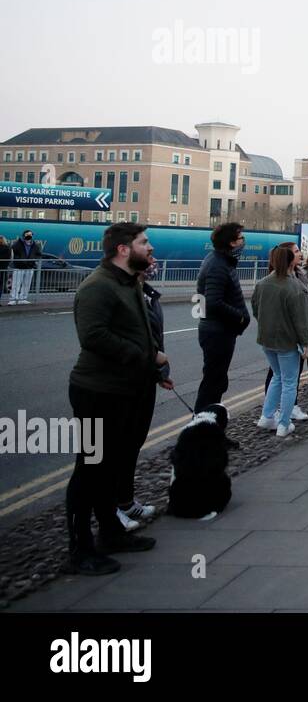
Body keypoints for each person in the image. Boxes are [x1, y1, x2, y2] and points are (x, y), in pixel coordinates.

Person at [65, 222, 165, 575]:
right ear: (123, 249)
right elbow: (93, 336)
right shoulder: (98, 286)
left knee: (112, 467)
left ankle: (110, 533)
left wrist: (152, 362)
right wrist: (146, 357)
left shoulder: (129, 283)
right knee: (90, 470)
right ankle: (80, 551)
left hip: (127, 389)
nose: (150, 248)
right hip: (97, 392)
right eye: (144, 242)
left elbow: (139, 329)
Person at [122, 260, 174, 531]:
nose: (152, 254)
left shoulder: (146, 291)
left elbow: (153, 335)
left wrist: (159, 372)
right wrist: (153, 357)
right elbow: (101, 337)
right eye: (144, 244)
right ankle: (112, 509)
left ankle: (125, 501)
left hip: (145, 376)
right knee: (115, 449)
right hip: (123, 380)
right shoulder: (117, 290)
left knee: (133, 444)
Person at [253, 244, 308, 437]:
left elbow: (256, 310)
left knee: (277, 377)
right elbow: (300, 320)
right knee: (289, 382)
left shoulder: (262, 283)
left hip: (266, 339)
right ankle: (284, 424)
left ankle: (267, 416)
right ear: (289, 262)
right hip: (287, 342)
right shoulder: (294, 287)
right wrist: (304, 343)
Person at [195, 223, 250, 410]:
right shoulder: (218, 265)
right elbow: (212, 302)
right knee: (213, 383)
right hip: (217, 333)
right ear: (232, 243)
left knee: (217, 382)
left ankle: (211, 428)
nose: (244, 241)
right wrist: (240, 317)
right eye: (241, 238)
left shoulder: (220, 261)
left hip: (220, 331)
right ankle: (203, 428)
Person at [7, 227, 41, 304]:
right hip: (19, 267)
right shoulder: (17, 244)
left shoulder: (35, 245)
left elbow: (39, 254)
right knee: (16, 283)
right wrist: (21, 261)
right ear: (24, 236)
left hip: (30, 267)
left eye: (31, 235)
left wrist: (34, 260)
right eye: (28, 235)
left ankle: (23, 298)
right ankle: (13, 299)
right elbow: (14, 254)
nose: (29, 237)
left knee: (27, 284)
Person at [0, 235, 10, 301]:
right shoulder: (7, 248)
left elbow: (7, 259)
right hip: (3, 269)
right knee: (0, 284)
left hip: (2, 268)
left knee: (0, 284)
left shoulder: (6, 248)